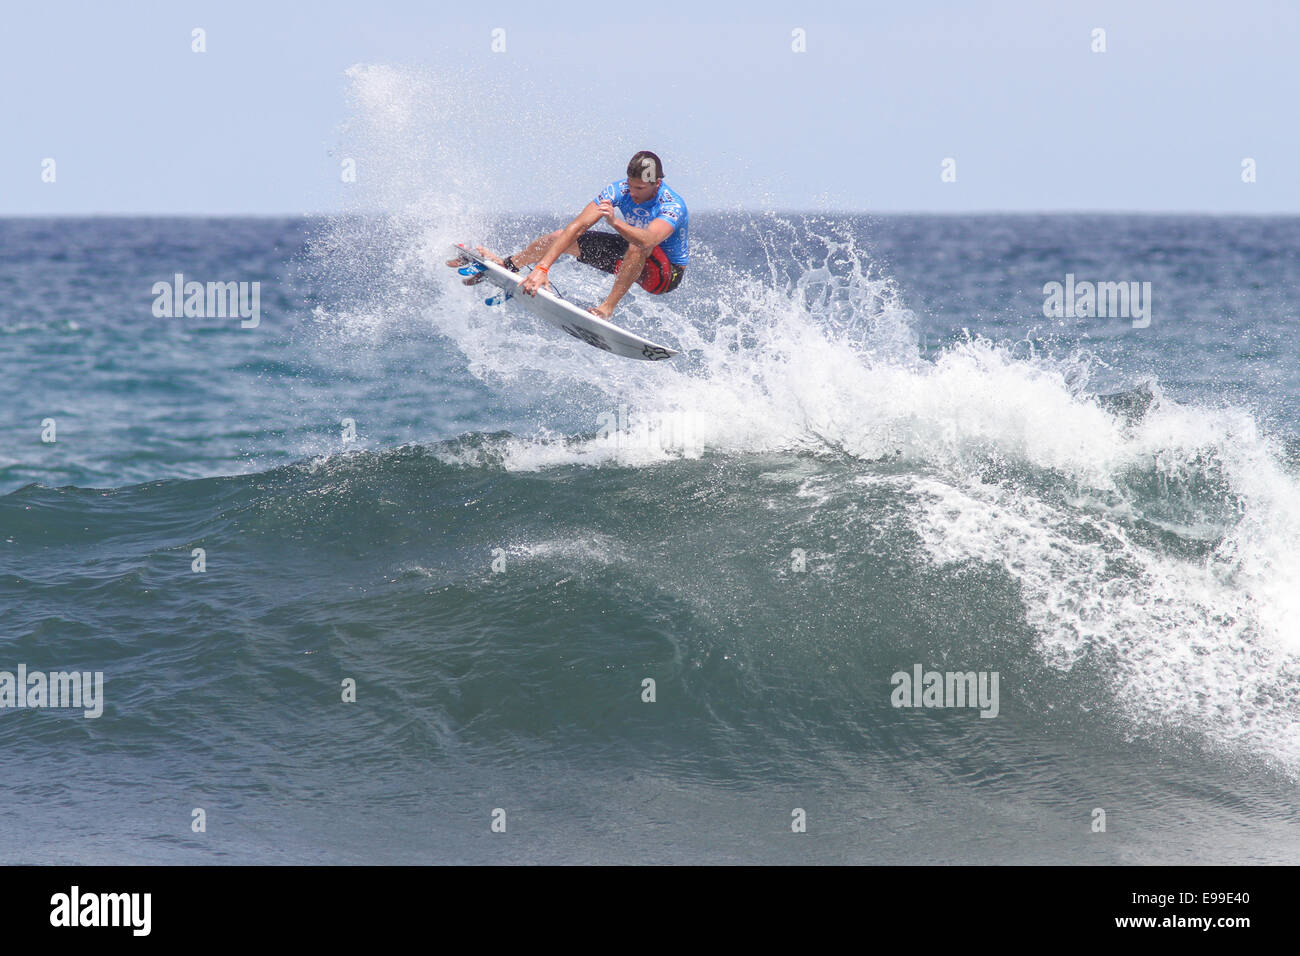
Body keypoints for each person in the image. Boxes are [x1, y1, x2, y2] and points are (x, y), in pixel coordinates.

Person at [447, 150, 689, 319]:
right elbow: (577, 227)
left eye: (640, 188)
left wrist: (614, 222)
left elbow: (647, 240)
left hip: (664, 275)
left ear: (657, 184)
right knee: (559, 237)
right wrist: (543, 268)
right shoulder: (619, 190)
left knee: (637, 245)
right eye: (630, 185)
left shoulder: (672, 206)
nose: (632, 192)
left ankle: (606, 309)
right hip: (630, 258)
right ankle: (510, 265)